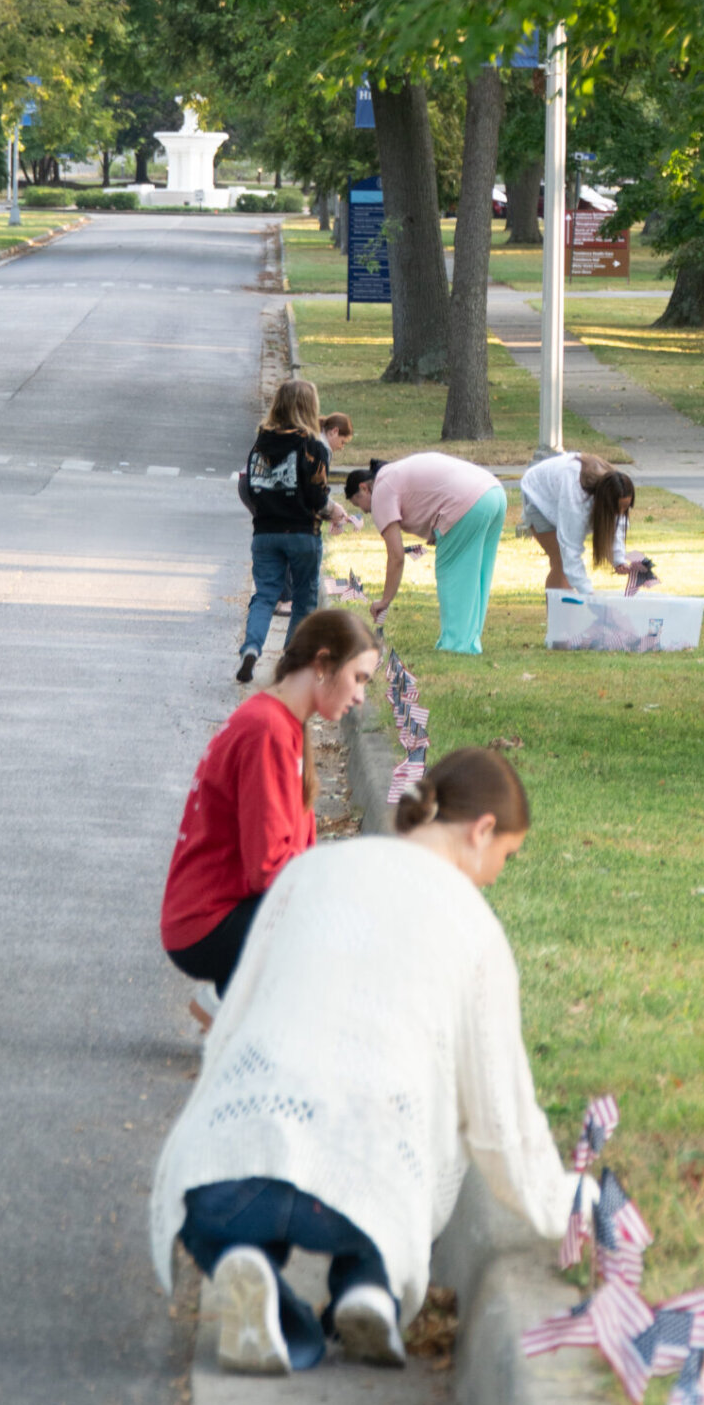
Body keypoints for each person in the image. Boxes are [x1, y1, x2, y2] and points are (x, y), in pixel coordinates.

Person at [149, 748, 581, 1374]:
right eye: (505, 858)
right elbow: (498, 1115)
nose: (496, 876)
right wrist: (566, 1199)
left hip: (233, 1173)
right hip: (365, 1197)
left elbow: (231, 1027)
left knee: (225, 1200)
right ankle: (369, 1286)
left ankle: (258, 1280)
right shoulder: (473, 927)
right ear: (482, 830)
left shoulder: (310, 873)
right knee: (424, 1130)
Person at [162, 609, 380, 1013]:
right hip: (207, 920)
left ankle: (241, 1007)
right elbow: (268, 867)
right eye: (358, 678)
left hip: (220, 911)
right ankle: (230, 1004)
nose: (360, 696)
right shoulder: (268, 730)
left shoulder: (282, 722)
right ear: (322, 664)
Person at [344, 454, 507, 653]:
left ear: (364, 487)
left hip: (467, 502)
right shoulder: (393, 474)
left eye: (357, 502)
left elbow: (396, 556)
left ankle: (457, 645)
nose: (364, 510)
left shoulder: (381, 492)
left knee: (453, 573)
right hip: (494, 492)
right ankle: (470, 638)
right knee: (479, 572)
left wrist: (385, 600)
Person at [237, 381, 332, 682]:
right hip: (303, 533)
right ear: (310, 407)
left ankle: (251, 648)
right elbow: (318, 497)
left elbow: (252, 487)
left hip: (265, 533)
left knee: (264, 595)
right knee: (304, 598)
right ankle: (290, 659)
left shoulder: (260, 443)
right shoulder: (312, 447)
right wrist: (332, 512)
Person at [517, 451, 635, 593]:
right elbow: (570, 549)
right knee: (560, 562)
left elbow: (617, 525)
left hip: (559, 491)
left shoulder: (617, 487)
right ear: (604, 503)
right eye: (618, 509)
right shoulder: (575, 499)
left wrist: (619, 559)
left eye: (626, 508)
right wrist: (588, 594)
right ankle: (558, 614)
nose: (621, 513)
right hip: (538, 494)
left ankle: (566, 612)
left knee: (563, 566)